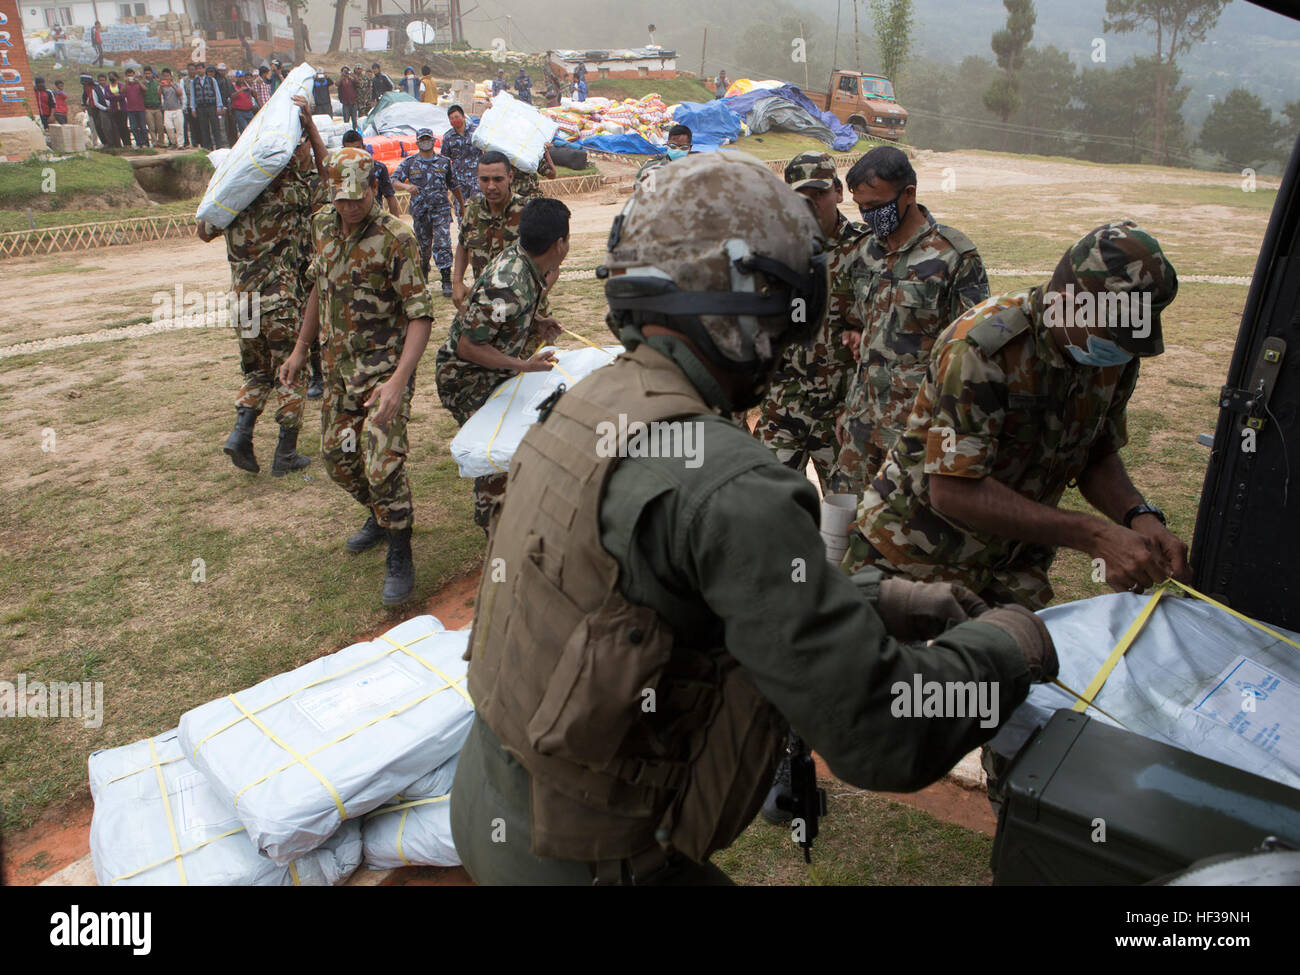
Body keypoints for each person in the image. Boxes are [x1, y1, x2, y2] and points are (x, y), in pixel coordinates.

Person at [447, 151, 1059, 885]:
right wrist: (1004, 647)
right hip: (594, 858)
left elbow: (699, 596)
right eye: (785, 316)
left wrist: (885, 597)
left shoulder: (583, 405)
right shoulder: (734, 482)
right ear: (745, 309)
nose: (786, 348)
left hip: (493, 808)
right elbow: (879, 730)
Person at [846, 220, 1190, 612]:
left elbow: (1096, 452)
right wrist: (1095, 535)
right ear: (1067, 300)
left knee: (999, 670)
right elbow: (953, 489)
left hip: (1009, 566)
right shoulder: (982, 347)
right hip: (912, 553)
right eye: (1113, 330)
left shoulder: (1114, 353)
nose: (1122, 347)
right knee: (872, 669)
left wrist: (1138, 516)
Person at [279, 147, 436, 606]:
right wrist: (299, 349)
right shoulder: (322, 225)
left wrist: (398, 382)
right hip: (336, 371)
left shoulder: (395, 238)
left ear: (373, 188)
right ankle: (380, 514)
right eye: (340, 198)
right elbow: (317, 288)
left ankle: (400, 551)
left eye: (357, 197)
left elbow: (420, 315)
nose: (349, 207)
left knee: (381, 463)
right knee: (336, 459)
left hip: (383, 372)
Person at [835, 146, 989, 494]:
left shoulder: (953, 257)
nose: (868, 216)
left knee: (901, 532)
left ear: (909, 194)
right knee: (843, 526)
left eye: (876, 207)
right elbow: (863, 327)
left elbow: (972, 357)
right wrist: (849, 410)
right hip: (861, 425)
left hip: (914, 431)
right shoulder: (867, 252)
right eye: (861, 208)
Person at [196, 101, 326, 480]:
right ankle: (285, 452)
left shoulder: (235, 194)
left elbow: (203, 230)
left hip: (241, 302)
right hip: (280, 299)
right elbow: (330, 179)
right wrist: (311, 129)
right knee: (291, 372)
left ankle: (241, 433)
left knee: (256, 372)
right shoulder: (290, 192)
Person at [434, 198, 568, 532]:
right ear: (560, 244)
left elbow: (498, 318)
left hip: (489, 371)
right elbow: (468, 346)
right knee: (497, 454)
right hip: (465, 380)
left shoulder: (525, 264)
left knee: (519, 444)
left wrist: (534, 321)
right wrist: (523, 365)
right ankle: (496, 528)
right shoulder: (508, 284)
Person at [754, 152, 865, 493]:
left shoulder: (866, 250)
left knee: (847, 518)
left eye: (820, 193)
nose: (812, 203)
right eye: (802, 196)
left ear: (838, 192)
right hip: (782, 408)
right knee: (764, 504)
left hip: (840, 415)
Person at [451, 151, 525, 307]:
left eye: (498, 179)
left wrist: (532, 303)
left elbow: (550, 265)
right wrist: (457, 281)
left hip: (521, 306)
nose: (491, 186)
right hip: (484, 303)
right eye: (484, 180)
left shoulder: (527, 212)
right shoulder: (473, 210)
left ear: (510, 177)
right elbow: (463, 245)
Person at [392, 128, 459, 296]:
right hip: (420, 211)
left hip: (441, 210)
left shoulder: (444, 162)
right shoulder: (410, 163)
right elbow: (394, 180)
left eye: (428, 138)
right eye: (422, 139)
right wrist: (407, 186)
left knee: (442, 243)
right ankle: (423, 272)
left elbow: (454, 185)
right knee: (423, 246)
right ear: (417, 142)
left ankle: (445, 280)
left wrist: (462, 206)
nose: (425, 142)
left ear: (434, 141)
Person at [439, 104, 481, 223]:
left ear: (463, 117)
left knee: (477, 209)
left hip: (476, 178)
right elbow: (444, 159)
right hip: (458, 181)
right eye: (451, 118)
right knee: (461, 212)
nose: (454, 120)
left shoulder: (476, 131)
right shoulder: (448, 137)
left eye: (456, 117)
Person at [191, 65, 225, 150]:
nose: (199, 70)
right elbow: (193, 96)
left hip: (211, 106)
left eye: (200, 68)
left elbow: (217, 93)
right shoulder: (194, 82)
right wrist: (193, 108)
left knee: (215, 127)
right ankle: (208, 148)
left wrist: (219, 106)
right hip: (201, 107)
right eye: (197, 69)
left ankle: (219, 146)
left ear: (204, 69)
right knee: (204, 128)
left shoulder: (211, 80)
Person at [121, 69, 149, 147]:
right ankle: (138, 142)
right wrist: (126, 82)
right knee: (133, 127)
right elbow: (122, 91)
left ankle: (145, 143)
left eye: (131, 75)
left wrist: (138, 81)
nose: (130, 77)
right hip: (130, 109)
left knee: (143, 127)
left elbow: (145, 89)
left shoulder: (138, 84)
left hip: (140, 109)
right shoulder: (126, 85)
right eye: (128, 75)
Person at [160, 69, 185, 148]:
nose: (166, 78)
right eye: (164, 76)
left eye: (167, 76)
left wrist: (172, 85)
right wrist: (160, 87)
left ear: (171, 76)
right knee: (168, 127)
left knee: (179, 128)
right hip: (167, 110)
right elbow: (159, 96)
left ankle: (180, 144)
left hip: (177, 108)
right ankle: (173, 142)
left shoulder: (176, 84)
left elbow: (180, 93)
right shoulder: (162, 86)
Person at [141, 67, 164, 147]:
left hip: (157, 108)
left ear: (152, 74)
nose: (148, 75)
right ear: (144, 74)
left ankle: (161, 142)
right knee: (151, 127)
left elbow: (159, 95)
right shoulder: (142, 84)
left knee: (160, 127)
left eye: (149, 73)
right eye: (146, 74)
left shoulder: (157, 83)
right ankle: (154, 143)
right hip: (147, 108)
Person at [105, 73, 129, 147]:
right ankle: (121, 143)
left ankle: (127, 143)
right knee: (118, 127)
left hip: (123, 108)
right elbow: (107, 96)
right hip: (114, 109)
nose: (111, 78)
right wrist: (116, 95)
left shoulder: (121, 85)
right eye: (110, 76)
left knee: (124, 126)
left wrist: (114, 96)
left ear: (117, 77)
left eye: (113, 76)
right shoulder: (107, 87)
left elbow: (123, 95)